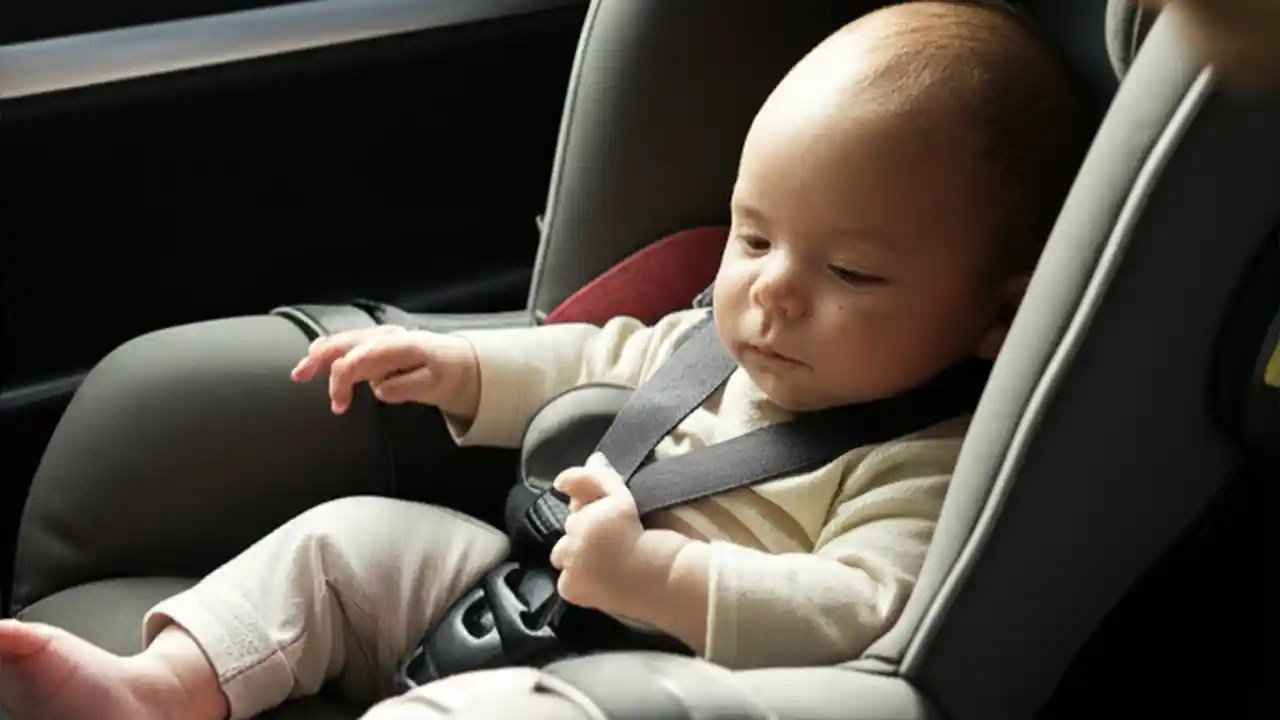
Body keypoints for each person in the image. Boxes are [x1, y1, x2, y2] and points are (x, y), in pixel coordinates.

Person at [0, 2, 1092, 718]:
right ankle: (162, 688)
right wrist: (458, 368)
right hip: (530, 587)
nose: (773, 292)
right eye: (753, 238)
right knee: (347, 543)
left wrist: (657, 578)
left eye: (850, 273)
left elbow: (859, 606)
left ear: (996, 315)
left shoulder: (927, 460)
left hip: (666, 678)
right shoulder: (723, 342)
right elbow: (596, 358)